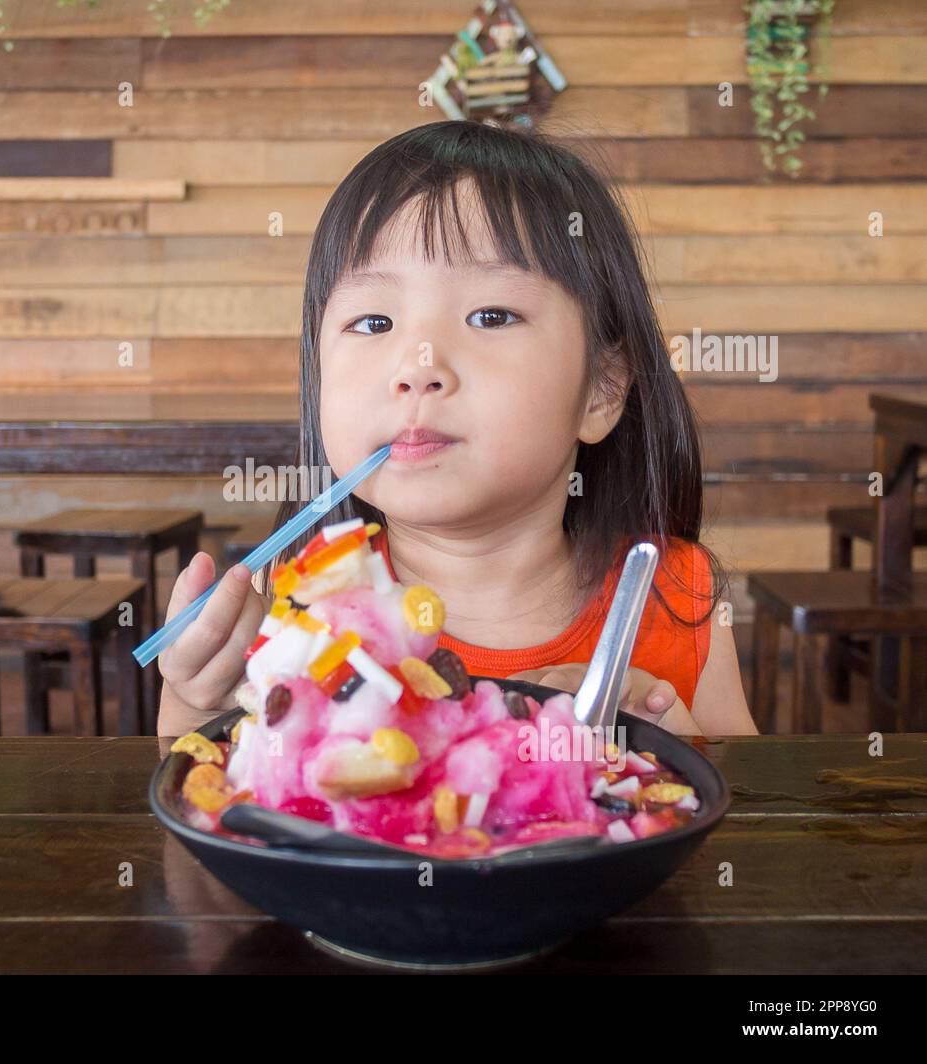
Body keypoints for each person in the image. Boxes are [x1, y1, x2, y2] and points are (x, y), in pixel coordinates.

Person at [156, 120, 758, 739]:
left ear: (601, 390)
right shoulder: (285, 607)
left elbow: (758, 819)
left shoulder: (675, 601)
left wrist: (675, 751)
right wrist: (198, 705)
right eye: (372, 322)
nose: (419, 369)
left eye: (490, 315)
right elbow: (197, 797)